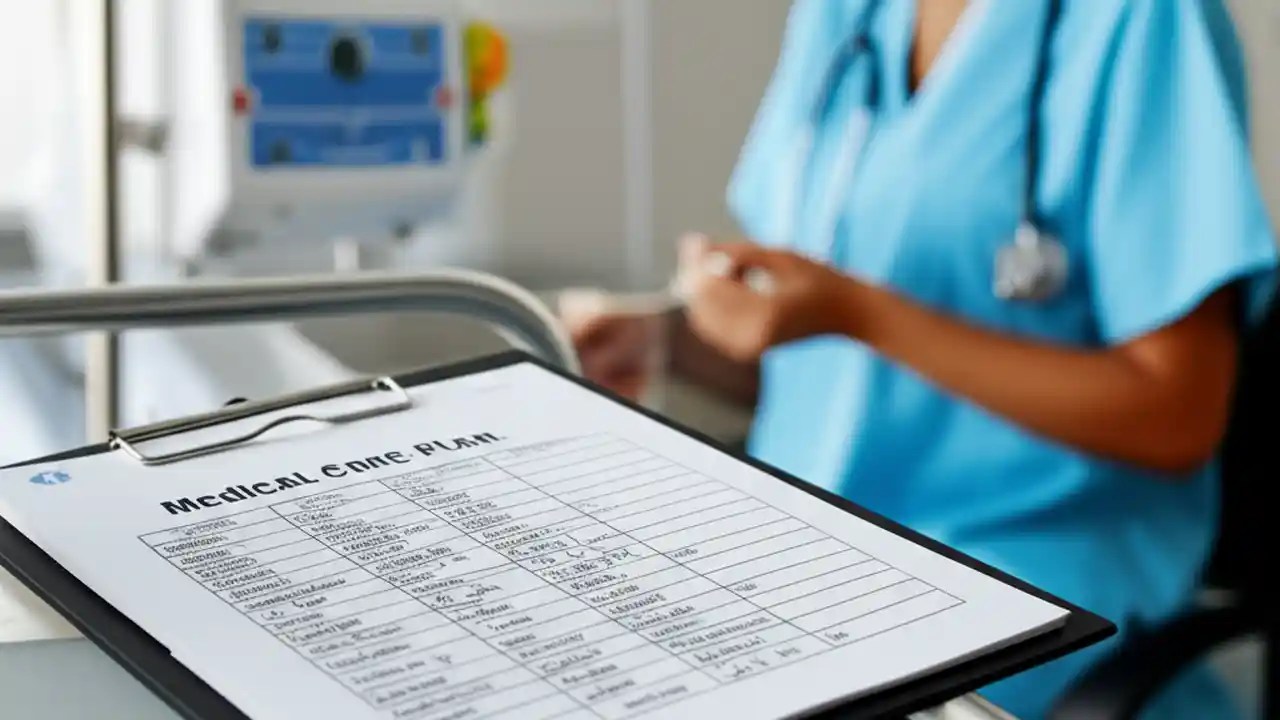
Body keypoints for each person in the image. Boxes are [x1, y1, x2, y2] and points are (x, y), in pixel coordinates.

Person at [567, 0, 1278, 718]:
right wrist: (667, 344)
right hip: (799, 571)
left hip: (1028, 602)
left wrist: (861, 313)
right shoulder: (843, 15)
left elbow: (1177, 411)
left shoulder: (1142, 21)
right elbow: (831, 374)